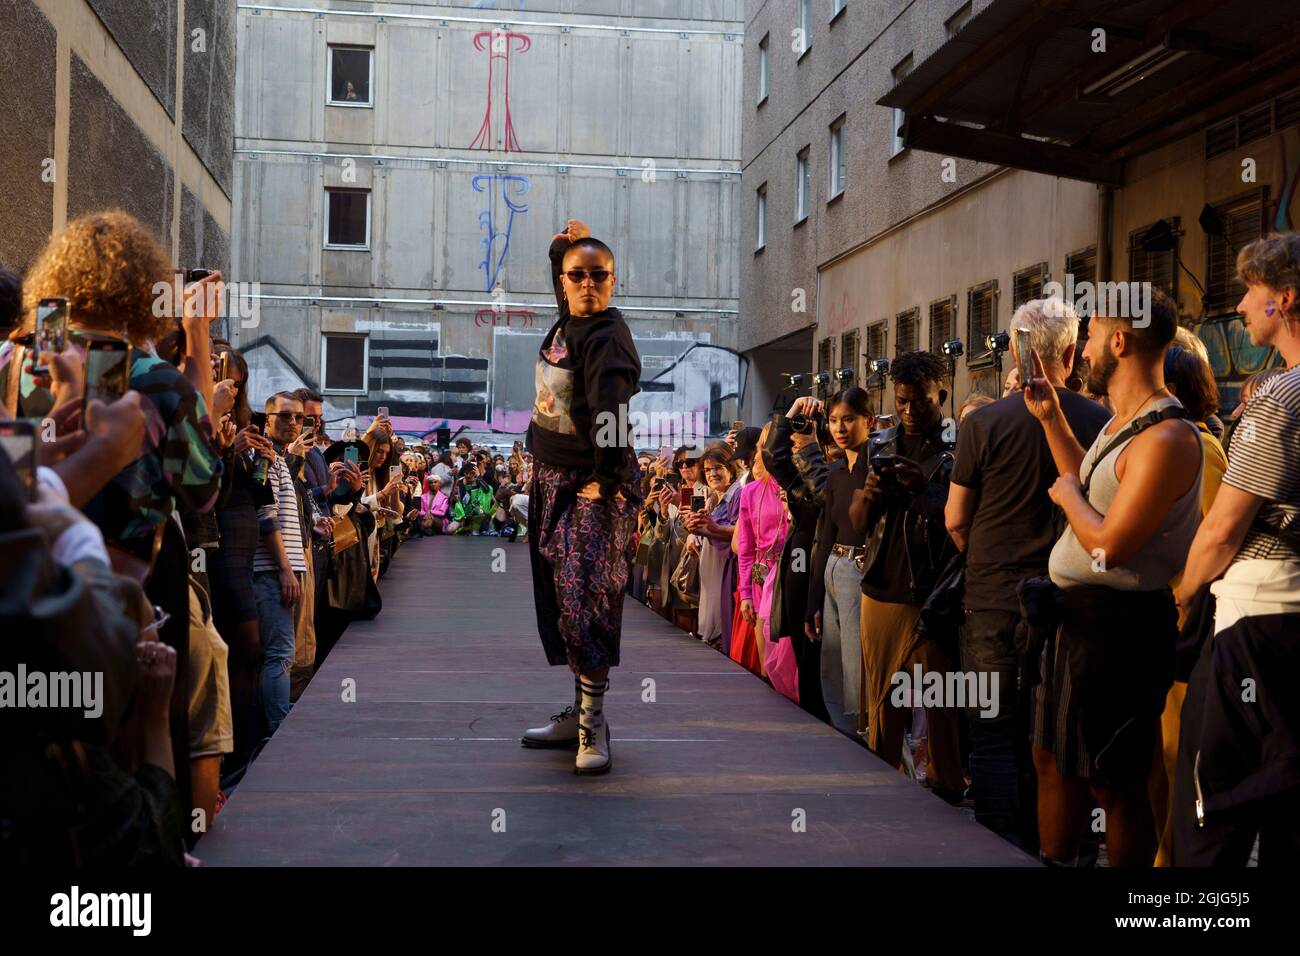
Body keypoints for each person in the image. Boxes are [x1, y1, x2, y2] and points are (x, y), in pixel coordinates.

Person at [1023, 287, 1202, 866]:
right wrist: (1051, 419)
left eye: (1094, 335)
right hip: (1075, 624)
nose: (1087, 347)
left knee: (1115, 780)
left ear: (1120, 342)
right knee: (1053, 757)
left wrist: (1068, 494)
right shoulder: (1125, 422)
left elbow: (1109, 544)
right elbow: (1088, 480)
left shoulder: (1167, 436)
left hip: (1119, 632)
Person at [945, 298, 1111, 850]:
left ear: (1015, 351)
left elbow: (955, 519)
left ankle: (997, 846)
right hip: (1070, 602)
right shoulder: (1102, 422)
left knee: (993, 733)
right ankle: (1066, 851)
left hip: (991, 598)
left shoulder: (984, 422)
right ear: (1070, 351)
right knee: (1064, 738)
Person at [1173, 232, 1300, 866]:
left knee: (1209, 820)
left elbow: (1221, 530)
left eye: (1253, 290)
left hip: (1252, 627)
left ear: (1287, 299)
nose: (1243, 304)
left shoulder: (1282, 399)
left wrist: (1184, 593)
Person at [521, 218, 641, 775]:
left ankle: (593, 726)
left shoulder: (606, 337)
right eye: (576, 276)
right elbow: (563, 273)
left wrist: (610, 482)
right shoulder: (569, 316)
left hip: (590, 485)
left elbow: (613, 411)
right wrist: (561, 248)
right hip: (551, 478)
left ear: (613, 282)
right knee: (562, 599)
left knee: (588, 597)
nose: (587, 284)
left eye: (599, 276)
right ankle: (579, 710)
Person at [849, 350, 963, 797]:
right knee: (884, 706)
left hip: (935, 595)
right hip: (881, 589)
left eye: (921, 401)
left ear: (942, 395)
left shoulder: (960, 449)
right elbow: (857, 523)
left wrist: (925, 490)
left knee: (943, 707)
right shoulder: (879, 445)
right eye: (901, 402)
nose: (910, 411)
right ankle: (884, 792)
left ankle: (948, 788)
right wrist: (871, 493)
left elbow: (962, 527)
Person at [798, 389, 872, 736]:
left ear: (868, 421)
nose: (840, 428)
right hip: (832, 568)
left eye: (848, 419)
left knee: (855, 667)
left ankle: (870, 740)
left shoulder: (876, 467)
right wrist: (814, 599)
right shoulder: (836, 472)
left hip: (860, 571)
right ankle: (845, 736)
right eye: (833, 421)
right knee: (832, 666)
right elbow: (825, 535)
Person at [251, 392, 309, 737]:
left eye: (299, 417)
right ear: (267, 419)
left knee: (282, 654)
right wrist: (285, 569)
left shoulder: (279, 459)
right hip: (272, 571)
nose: (293, 423)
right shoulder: (264, 458)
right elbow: (266, 516)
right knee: (280, 654)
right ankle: (276, 733)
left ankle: (276, 727)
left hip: (283, 568)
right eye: (285, 416)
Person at [735, 423, 789, 677]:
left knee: (790, 664)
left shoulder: (801, 485)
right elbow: (744, 548)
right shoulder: (751, 492)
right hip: (760, 577)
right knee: (767, 668)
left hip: (792, 578)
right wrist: (745, 593)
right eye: (767, 445)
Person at [684, 442, 742, 651]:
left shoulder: (738, 495)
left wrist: (708, 530)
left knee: (723, 625)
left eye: (718, 467)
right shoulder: (712, 498)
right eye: (708, 469)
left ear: (731, 468)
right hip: (709, 569)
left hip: (727, 570)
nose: (712, 474)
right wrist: (693, 532)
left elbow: (741, 533)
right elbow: (708, 530)